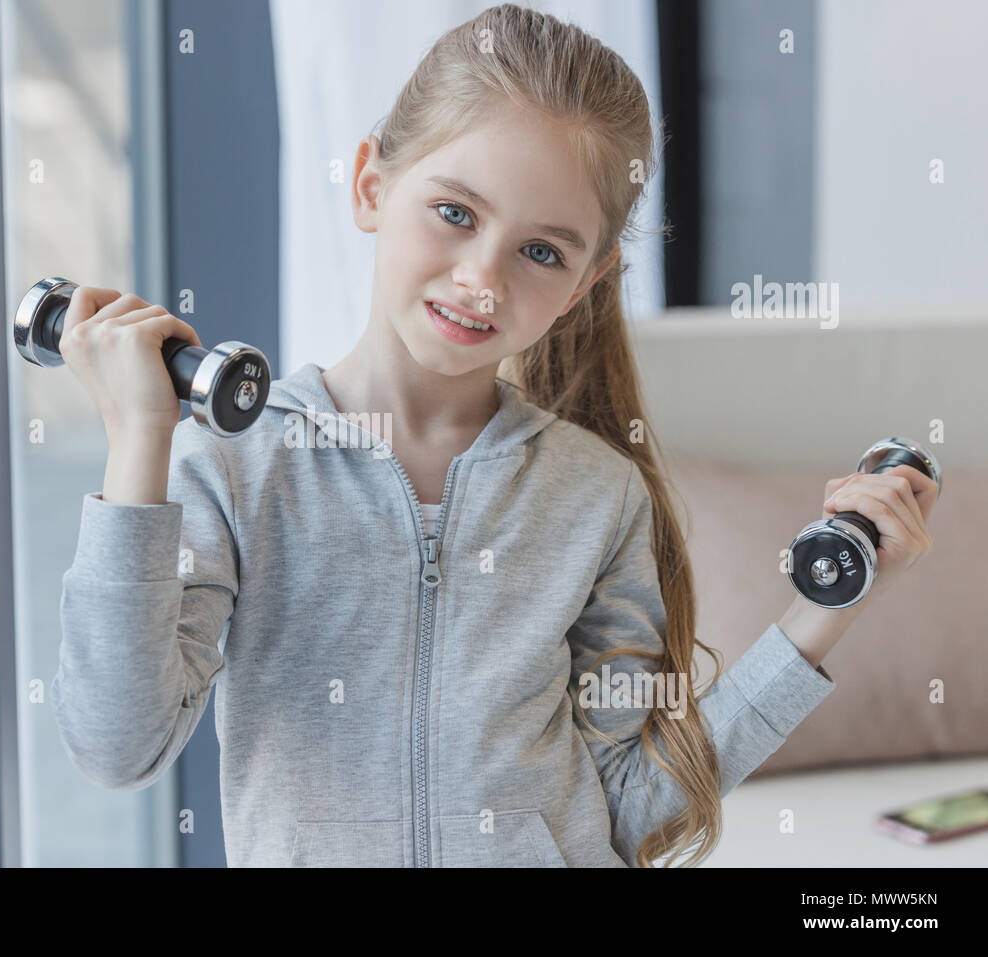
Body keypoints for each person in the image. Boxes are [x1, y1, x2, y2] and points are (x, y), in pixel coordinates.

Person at [49, 3, 938, 867]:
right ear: (369, 184)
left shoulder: (597, 494)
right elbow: (119, 745)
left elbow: (631, 806)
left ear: (588, 283)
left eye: (542, 251)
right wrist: (140, 444)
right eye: (456, 213)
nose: (482, 279)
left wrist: (824, 614)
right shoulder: (241, 466)